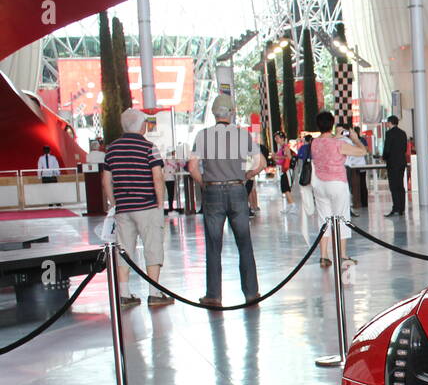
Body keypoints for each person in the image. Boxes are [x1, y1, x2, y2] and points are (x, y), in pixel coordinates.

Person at [188, 94, 262, 308]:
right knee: (244, 242)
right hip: (237, 190)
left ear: (213, 113)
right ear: (232, 113)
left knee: (213, 244)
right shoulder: (242, 135)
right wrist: (245, 176)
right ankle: (251, 292)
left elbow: (192, 167)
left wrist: (205, 183)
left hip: (212, 192)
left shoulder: (203, 136)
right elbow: (261, 162)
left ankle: (213, 295)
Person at [102, 108, 172, 307]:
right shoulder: (149, 147)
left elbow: (106, 181)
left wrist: (114, 203)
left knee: (124, 249)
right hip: (147, 205)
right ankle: (154, 292)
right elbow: (157, 176)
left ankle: (124, 293)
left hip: (124, 208)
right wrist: (160, 203)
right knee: (152, 246)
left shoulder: (112, 149)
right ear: (141, 126)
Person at [310, 110, 370, 268]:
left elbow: (326, 142)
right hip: (336, 184)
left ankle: (324, 256)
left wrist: (337, 136)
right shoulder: (339, 144)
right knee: (342, 218)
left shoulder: (314, 143)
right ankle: (342, 255)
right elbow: (363, 152)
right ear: (332, 124)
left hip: (319, 184)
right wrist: (355, 139)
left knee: (324, 220)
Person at [382, 115, 409, 216]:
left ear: (390, 123)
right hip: (401, 163)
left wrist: (384, 157)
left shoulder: (389, 133)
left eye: (388, 123)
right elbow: (405, 148)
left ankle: (396, 208)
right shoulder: (403, 133)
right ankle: (402, 208)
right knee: (400, 186)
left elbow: (387, 149)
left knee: (393, 186)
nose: (387, 125)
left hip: (392, 164)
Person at [292, 134, 314, 218]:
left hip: (305, 167)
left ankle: (309, 208)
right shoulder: (313, 146)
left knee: (306, 186)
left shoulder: (303, 147)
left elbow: (299, 156)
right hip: (314, 166)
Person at [273, 132, 295, 213]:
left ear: (282, 138)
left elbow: (288, 157)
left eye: (277, 138)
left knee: (286, 188)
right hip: (282, 170)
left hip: (286, 170)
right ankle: (290, 204)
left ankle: (292, 204)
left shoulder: (285, 147)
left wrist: (277, 156)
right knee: (284, 188)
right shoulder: (281, 147)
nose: (276, 140)